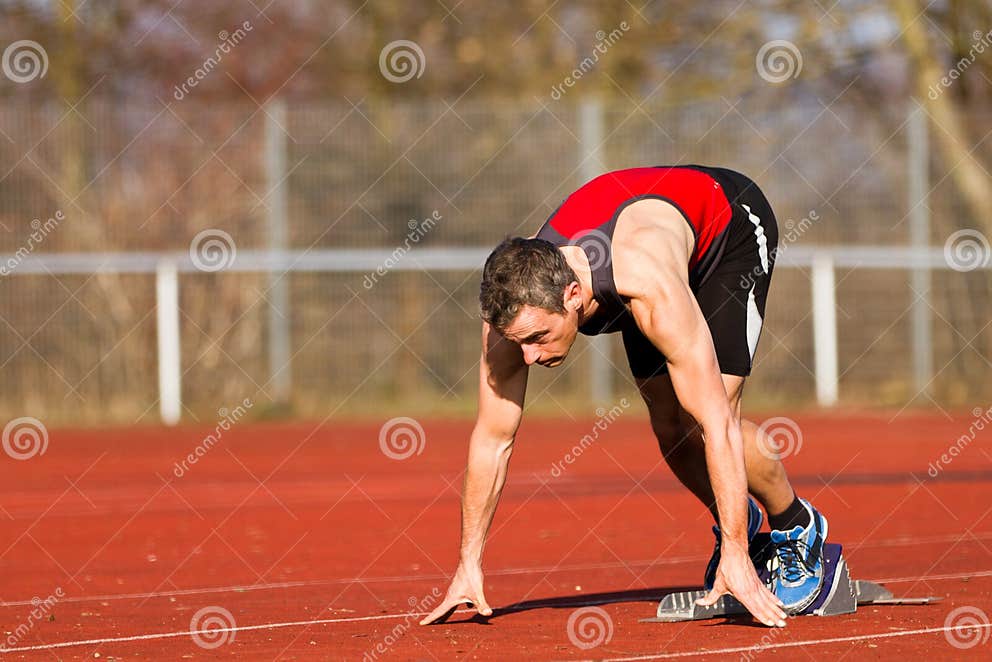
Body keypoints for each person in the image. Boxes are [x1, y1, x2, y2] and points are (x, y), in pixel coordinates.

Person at [419, 165, 828, 629]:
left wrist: (735, 553)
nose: (528, 356)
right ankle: (743, 525)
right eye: (520, 343)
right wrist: (468, 562)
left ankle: (796, 524)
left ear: (573, 295)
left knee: (702, 417)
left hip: (728, 228)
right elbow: (493, 439)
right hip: (643, 241)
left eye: (537, 338)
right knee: (669, 427)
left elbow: (718, 424)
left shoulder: (645, 285)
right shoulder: (512, 312)